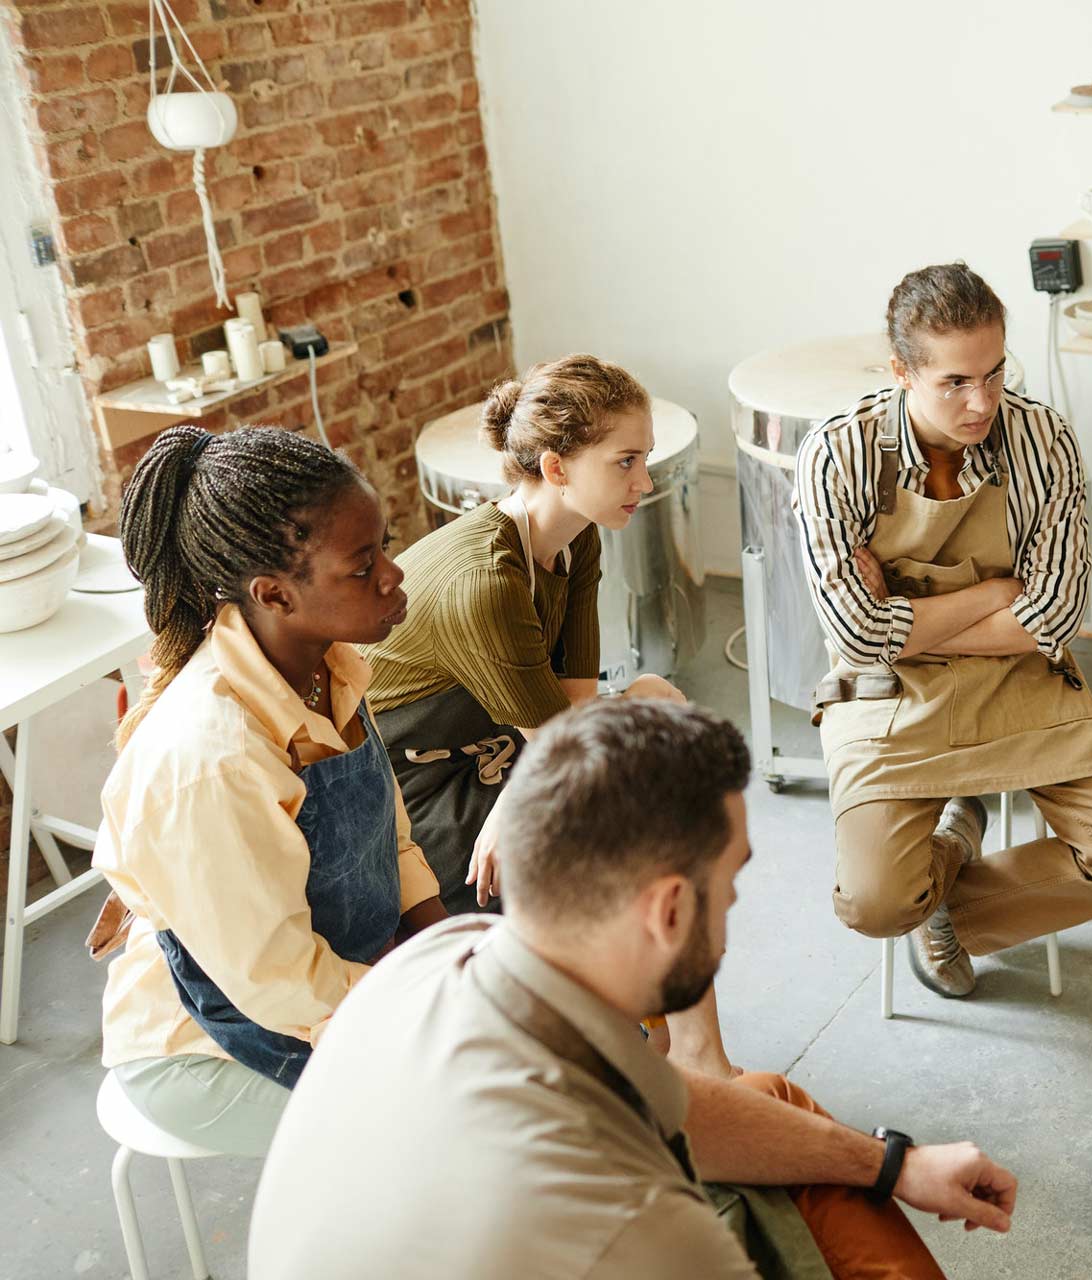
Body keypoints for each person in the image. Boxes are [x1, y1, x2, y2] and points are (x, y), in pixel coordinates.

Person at [250, 699, 1018, 1279]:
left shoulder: (440, 960)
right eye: (732, 880)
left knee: (770, 1101)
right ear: (672, 909)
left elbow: (680, 1100)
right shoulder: (643, 1232)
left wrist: (893, 1165)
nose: (739, 906)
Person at [793, 263, 1092, 998]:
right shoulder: (836, 453)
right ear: (901, 372)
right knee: (873, 905)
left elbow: (1056, 616)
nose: (983, 402)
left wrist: (909, 618)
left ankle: (952, 914)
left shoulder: (1044, 440)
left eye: (995, 374)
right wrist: (998, 594)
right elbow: (860, 639)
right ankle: (949, 845)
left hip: (1021, 682)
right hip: (888, 693)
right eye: (956, 383)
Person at [364, 355, 729, 1075]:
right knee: (645, 788)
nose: (645, 482)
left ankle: (680, 1048)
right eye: (626, 461)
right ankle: (670, 1051)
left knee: (656, 731)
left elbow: (576, 705)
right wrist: (513, 801)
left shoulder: (576, 537)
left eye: (645, 460)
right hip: (413, 800)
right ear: (557, 467)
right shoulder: (486, 580)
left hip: (501, 753)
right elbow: (569, 744)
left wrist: (514, 805)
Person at [91, 425, 448, 1156]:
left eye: (384, 545)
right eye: (363, 565)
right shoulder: (210, 759)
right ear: (274, 594)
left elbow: (392, 838)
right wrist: (438, 1013)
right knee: (457, 1125)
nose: (393, 576)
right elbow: (280, 984)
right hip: (214, 1043)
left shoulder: (328, 664)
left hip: (335, 973)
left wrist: (444, 944)